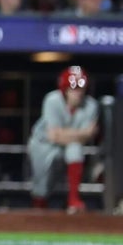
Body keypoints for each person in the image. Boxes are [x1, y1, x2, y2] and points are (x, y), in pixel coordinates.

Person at [28, 66, 99, 213]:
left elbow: (84, 138)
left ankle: (73, 200)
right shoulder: (52, 100)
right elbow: (53, 136)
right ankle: (39, 204)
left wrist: (66, 135)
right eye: (74, 88)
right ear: (64, 89)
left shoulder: (91, 105)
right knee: (41, 185)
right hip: (43, 145)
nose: (78, 92)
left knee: (75, 149)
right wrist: (82, 133)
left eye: (81, 88)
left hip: (67, 145)